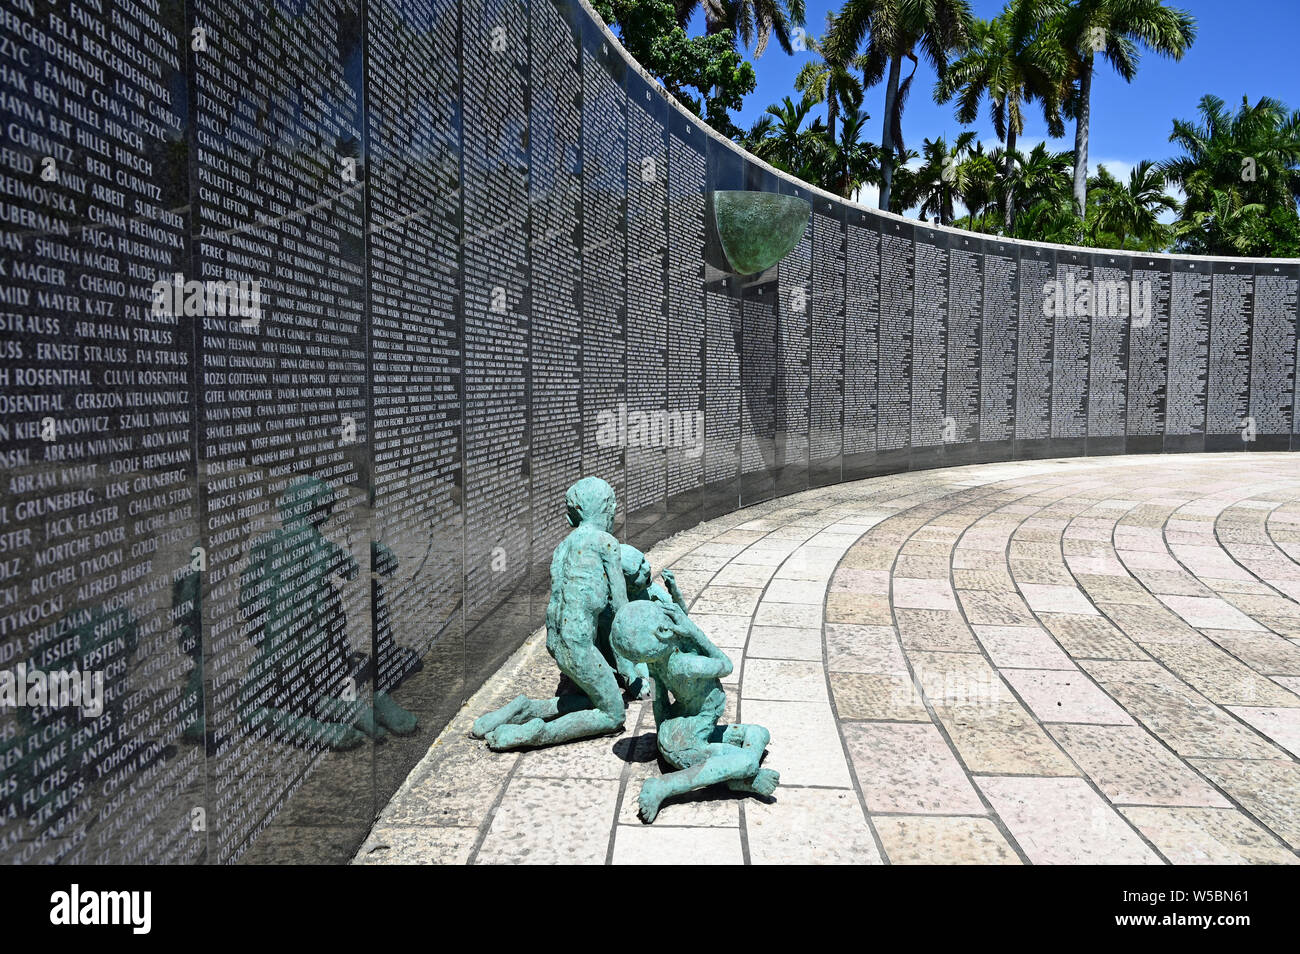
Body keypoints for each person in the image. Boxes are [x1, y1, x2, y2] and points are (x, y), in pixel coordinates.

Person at [472, 477, 631, 750]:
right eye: (612, 510)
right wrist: (634, 667)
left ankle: (521, 709)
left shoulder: (563, 547)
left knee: (594, 698)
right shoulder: (606, 543)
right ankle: (537, 734)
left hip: (556, 642)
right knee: (612, 713)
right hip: (578, 645)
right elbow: (622, 611)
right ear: (606, 510)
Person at [610, 599, 778, 823]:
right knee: (747, 761)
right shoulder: (686, 665)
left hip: (687, 725)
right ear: (663, 631)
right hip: (687, 740)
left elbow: (659, 700)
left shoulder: (656, 662)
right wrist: (692, 630)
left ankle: (740, 776)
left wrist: (662, 735)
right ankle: (664, 786)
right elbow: (725, 665)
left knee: (759, 732)